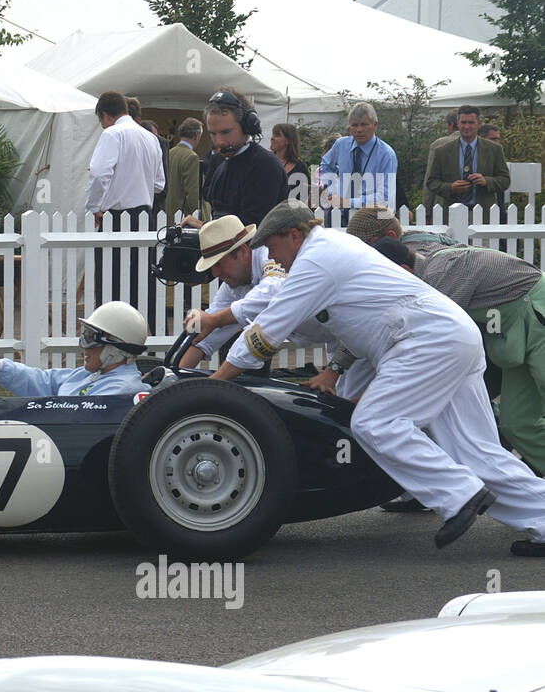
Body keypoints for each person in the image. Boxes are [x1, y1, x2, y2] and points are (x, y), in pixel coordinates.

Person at [208, 201, 545, 556]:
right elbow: (303, 326)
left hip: (428, 342)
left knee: (373, 422)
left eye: (272, 248)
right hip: (450, 337)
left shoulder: (316, 258)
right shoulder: (331, 250)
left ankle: (459, 495)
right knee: (477, 452)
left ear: (294, 235)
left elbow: (266, 332)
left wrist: (214, 385)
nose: (273, 260)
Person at [372, 236, 545, 486]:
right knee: (517, 423)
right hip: (512, 334)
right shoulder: (423, 267)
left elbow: (433, 334)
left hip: (537, 314)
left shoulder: (442, 275)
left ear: (403, 270)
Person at [0, 301, 150, 397]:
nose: (83, 346)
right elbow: (43, 382)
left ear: (115, 349)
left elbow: (73, 419)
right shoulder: (90, 375)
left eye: (91, 338)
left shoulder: (121, 391)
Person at [84, 91, 164, 307]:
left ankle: (111, 333)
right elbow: (159, 184)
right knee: (142, 283)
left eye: (100, 120)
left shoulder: (112, 134)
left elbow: (99, 173)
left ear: (104, 115)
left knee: (111, 283)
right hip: (145, 218)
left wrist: (94, 207)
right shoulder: (151, 138)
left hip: (117, 218)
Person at [177, 215, 289, 369]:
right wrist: (171, 380)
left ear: (243, 251)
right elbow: (205, 335)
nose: (215, 274)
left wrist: (214, 320)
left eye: (219, 263)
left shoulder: (268, 255)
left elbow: (273, 291)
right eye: (212, 267)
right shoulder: (234, 281)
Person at [203, 87, 287, 227]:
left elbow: (252, 227)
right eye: (213, 134)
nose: (219, 142)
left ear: (248, 126)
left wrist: (203, 227)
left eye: (226, 132)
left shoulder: (265, 166)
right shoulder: (220, 166)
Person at [424, 105, 509, 216]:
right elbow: (432, 182)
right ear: (458, 124)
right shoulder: (442, 151)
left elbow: (505, 180)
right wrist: (451, 187)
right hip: (451, 214)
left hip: (484, 214)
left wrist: (486, 181)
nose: (467, 127)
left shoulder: (494, 149)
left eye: (471, 122)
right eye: (463, 122)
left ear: (479, 124)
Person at [319, 103, 398, 218]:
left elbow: (384, 197)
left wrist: (347, 202)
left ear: (375, 125)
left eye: (364, 125)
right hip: (339, 215)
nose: (359, 130)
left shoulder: (386, 155)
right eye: (354, 125)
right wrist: (333, 190)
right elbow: (325, 165)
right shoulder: (341, 145)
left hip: (372, 218)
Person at [421, 109, 460, 210]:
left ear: (451, 124)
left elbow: (429, 179)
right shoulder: (482, 144)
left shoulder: (439, 144)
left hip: (442, 205)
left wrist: (427, 209)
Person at [166, 118, 202, 219]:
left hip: (167, 213)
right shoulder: (192, 157)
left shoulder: (169, 153)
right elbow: (193, 192)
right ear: (196, 136)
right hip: (183, 216)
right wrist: (200, 216)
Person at [270, 123, 311, 205]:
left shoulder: (300, 168)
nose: (272, 138)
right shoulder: (266, 162)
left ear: (288, 140)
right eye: (273, 134)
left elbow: (305, 198)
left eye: (277, 135)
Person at [477, 123, 509, 216]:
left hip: (497, 203)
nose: (497, 142)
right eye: (493, 139)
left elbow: (505, 180)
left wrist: (487, 181)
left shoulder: (497, 154)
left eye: (498, 139)